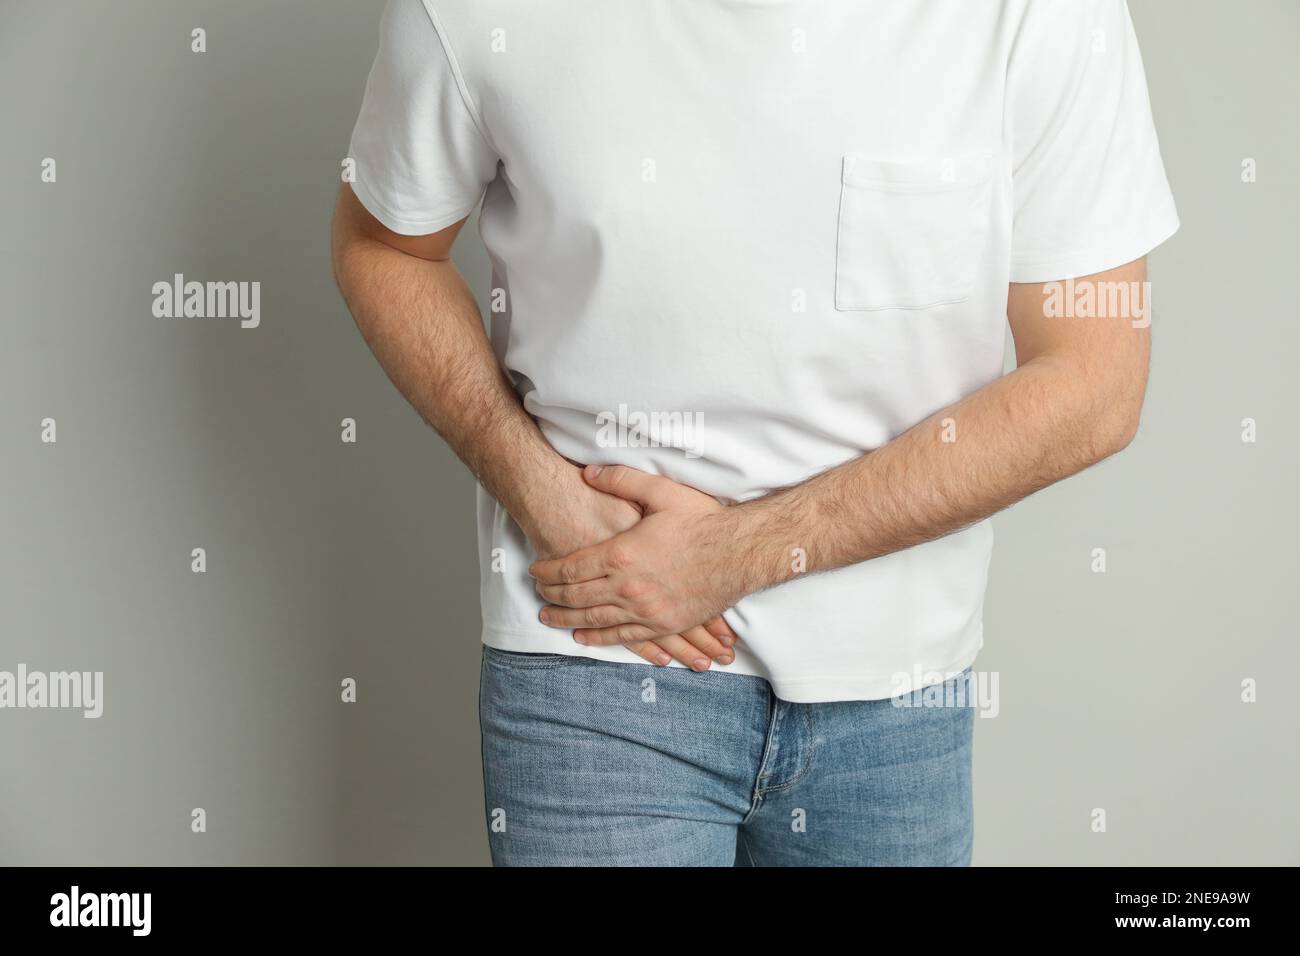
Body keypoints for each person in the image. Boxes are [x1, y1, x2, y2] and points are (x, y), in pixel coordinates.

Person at [331, 0, 1178, 866]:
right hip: (595, 647)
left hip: (895, 688)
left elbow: (1095, 381)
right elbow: (384, 246)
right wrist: (544, 494)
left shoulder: (1040, 13)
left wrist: (737, 553)